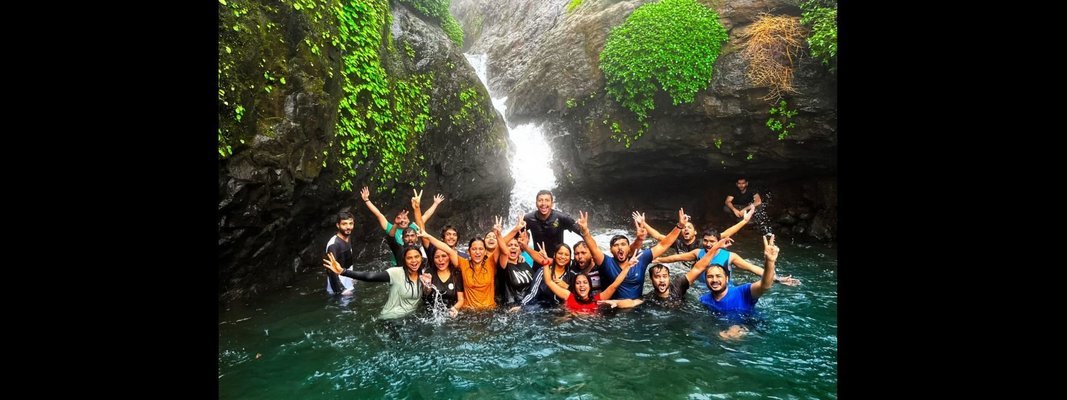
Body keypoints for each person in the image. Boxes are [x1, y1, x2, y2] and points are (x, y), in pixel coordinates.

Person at [599, 237, 734, 309]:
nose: (662, 280)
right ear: (651, 281)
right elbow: (632, 302)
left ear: (669, 278)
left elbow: (698, 268)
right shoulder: (649, 298)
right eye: (657, 277)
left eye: (664, 276)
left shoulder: (678, 285)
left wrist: (716, 247)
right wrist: (616, 303)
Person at [698, 234, 779, 338]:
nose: (714, 280)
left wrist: (770, 262)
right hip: (724, 335)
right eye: (710, 277)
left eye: (718, 276)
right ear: (705, 280)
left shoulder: (743, 292)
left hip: (754, 330)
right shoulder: (704, 300)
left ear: (727, 279)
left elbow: (765, 285)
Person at [323, 245, 425, 319]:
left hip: (409, 318)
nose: (414, 261)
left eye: (416, 257)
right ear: (404, 260)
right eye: (409, 258)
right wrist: (343, 271)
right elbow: (370, 276)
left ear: (421, 258)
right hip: (391, 319)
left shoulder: (425, 276)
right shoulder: (396, 273)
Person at [542, 251, 635, 313]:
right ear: (574, 287)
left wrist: (628, 266)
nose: (582, 285)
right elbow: (549, 282)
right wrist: (545, 263)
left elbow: (614, 285)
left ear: (590, 286)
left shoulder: (598, 299)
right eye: (578, 283)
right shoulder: (568, 296)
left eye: (585, 283)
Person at [523, 190, 581, 258]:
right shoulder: (528, 218)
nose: (543, 203)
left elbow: (582, 234)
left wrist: (584, 230)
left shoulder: (562, 217)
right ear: (536, 203)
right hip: (538, 261)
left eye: (547, 200)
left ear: (552, 204)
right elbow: (514, 239)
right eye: (540, 200)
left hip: (558, 262)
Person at [419, 246, 465, 318]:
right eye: (437, 257)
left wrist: (454, 309)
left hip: (451, 313)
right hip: (432, 314)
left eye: (444, 256)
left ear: (449, 257)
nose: (440, 259)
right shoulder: (429, 272)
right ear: (433, 259)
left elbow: (461, 299)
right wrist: (427, 284)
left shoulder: (456, 273)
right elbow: (426, 293)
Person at [325, 211, 357, 296]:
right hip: (339, 291)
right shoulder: (333, 245)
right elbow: (331, 271)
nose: (348, 227)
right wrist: (342, 291)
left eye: (351, 223)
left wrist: (352, 278)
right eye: (344, 224)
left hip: (348, 284)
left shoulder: (348, 237)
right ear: (338, 225)